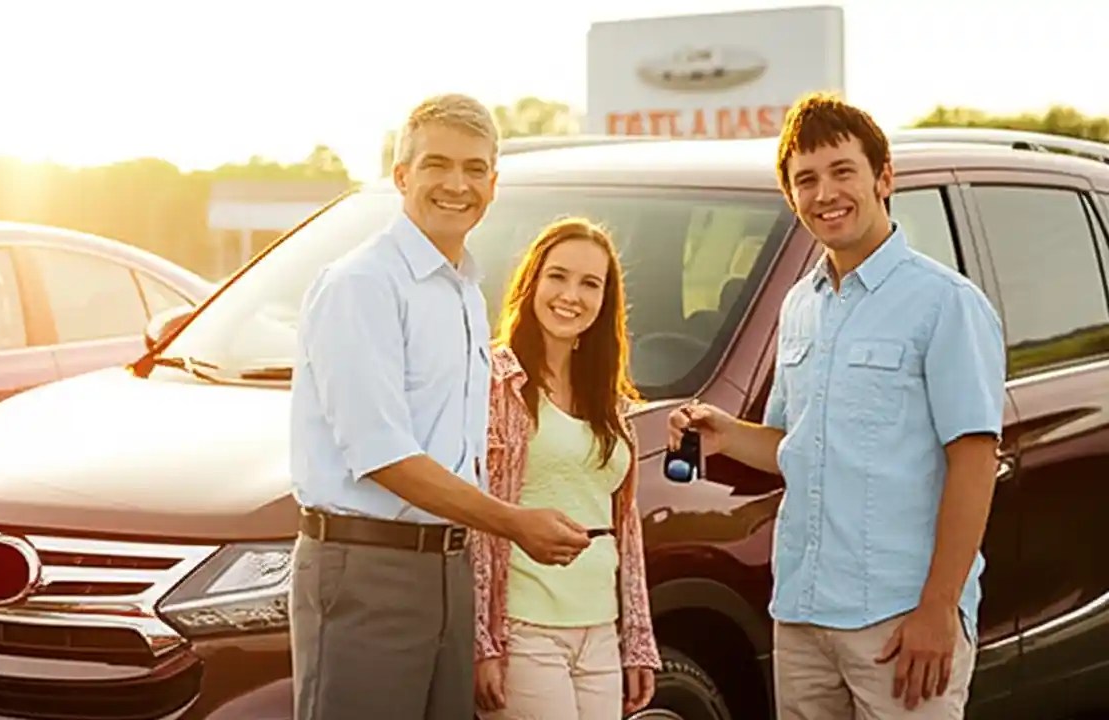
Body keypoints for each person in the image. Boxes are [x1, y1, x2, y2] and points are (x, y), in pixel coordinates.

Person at [666, 92, 1005, 719]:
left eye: (842, 171)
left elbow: (975, 463)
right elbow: (793, 448)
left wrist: (938, 610)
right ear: (792, 196)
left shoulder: (944, 304)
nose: (826, 193)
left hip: (899, 620)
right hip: (800, 617)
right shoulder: (801, 306)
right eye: (806, 180)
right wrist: (725, 433)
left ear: (883, 177)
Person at [288, 93, 593, 720]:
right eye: (437, 165)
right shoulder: (363, 284)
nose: (457, 185)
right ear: (402, 176)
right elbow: (382, 455)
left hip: (450, 570)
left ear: (493, 184)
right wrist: (513, 522)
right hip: (367, 570)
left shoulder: (464, 292)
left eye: (475, 169)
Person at [471, 217, 662, 720]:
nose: (571, 295)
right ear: (532, 281)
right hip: (524, 626)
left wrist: (637, 640)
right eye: (558, 276)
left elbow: (626, 526)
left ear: (605, 301)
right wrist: (483, 643)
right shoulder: (497, 382)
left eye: (590, 283)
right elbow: (475, 515)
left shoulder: (612, 401)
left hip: (600, 631)